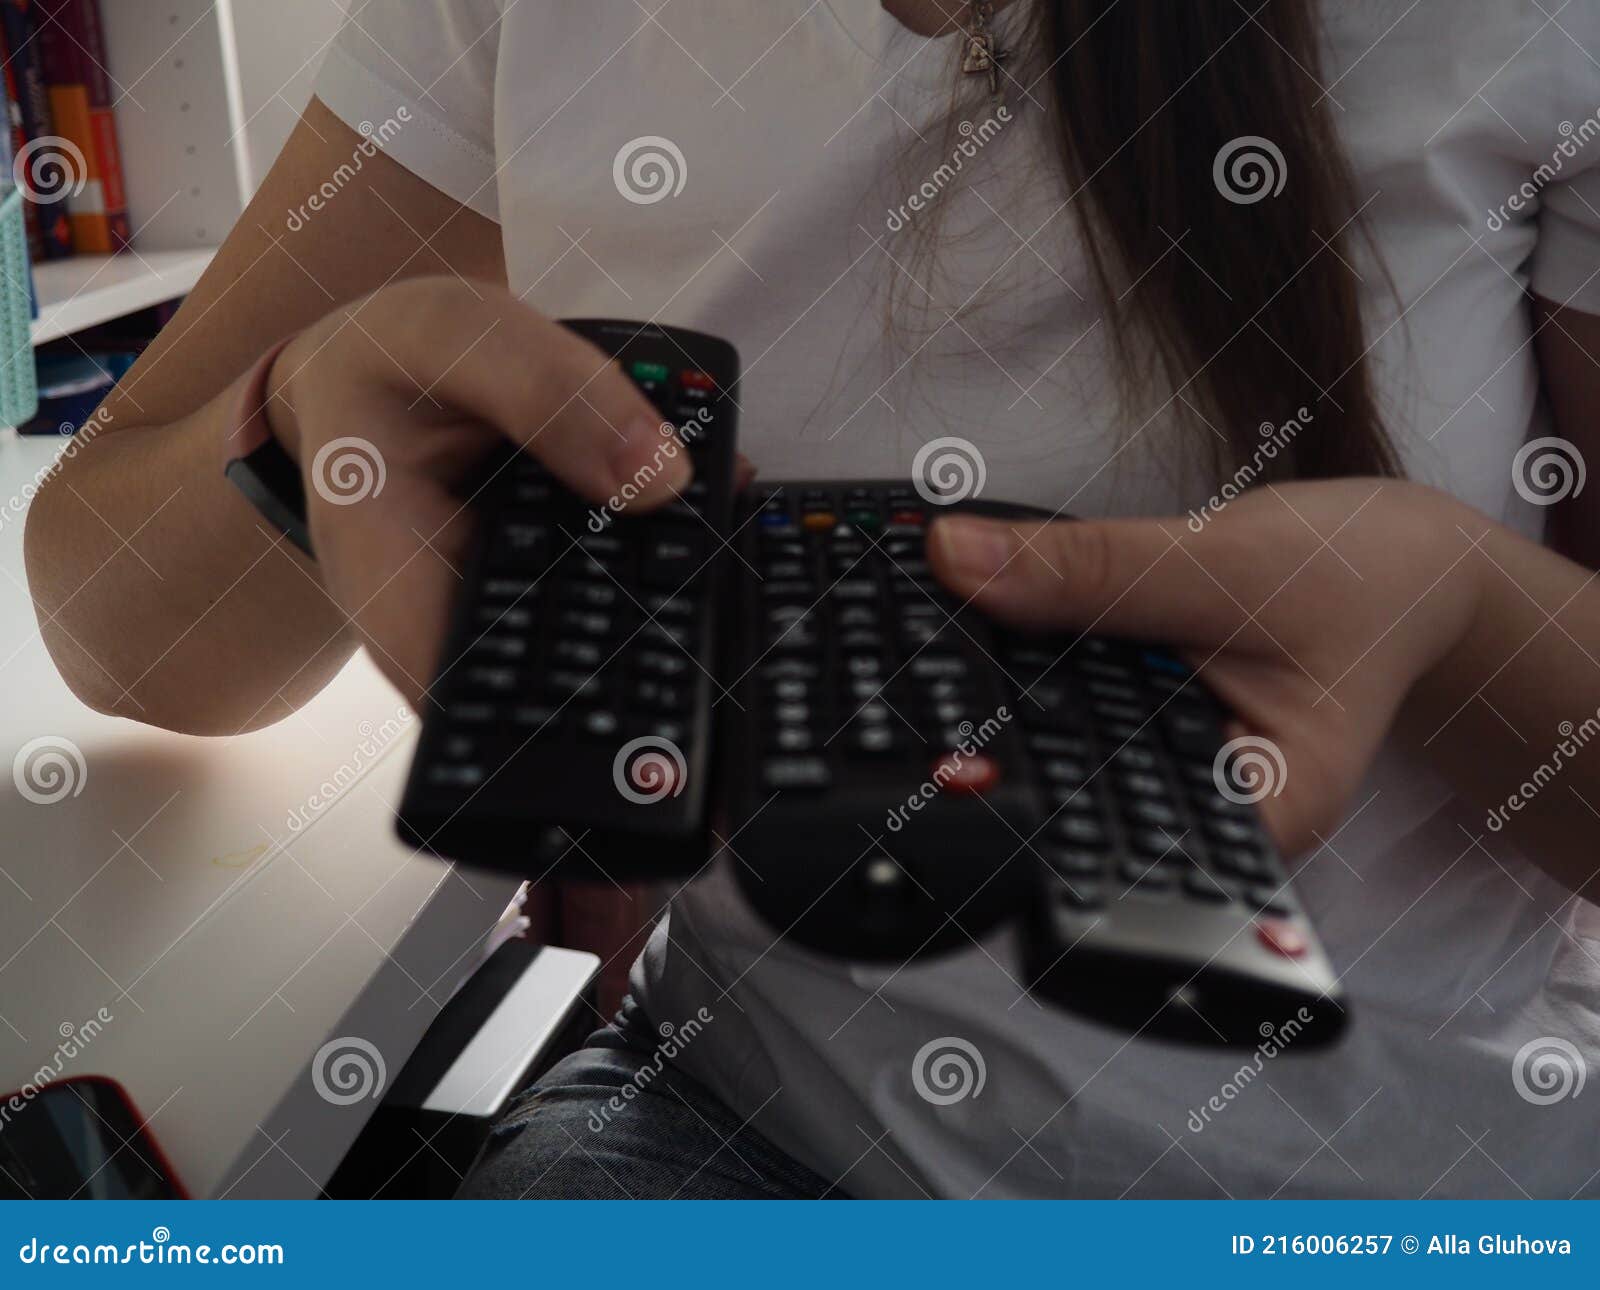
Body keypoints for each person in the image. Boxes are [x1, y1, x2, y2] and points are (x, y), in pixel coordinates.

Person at [23, 0, 1600, 1198]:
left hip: (1429, 1176)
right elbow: (110, 606)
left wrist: (1463, 619)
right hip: (750, 1125)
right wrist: (300, 421)